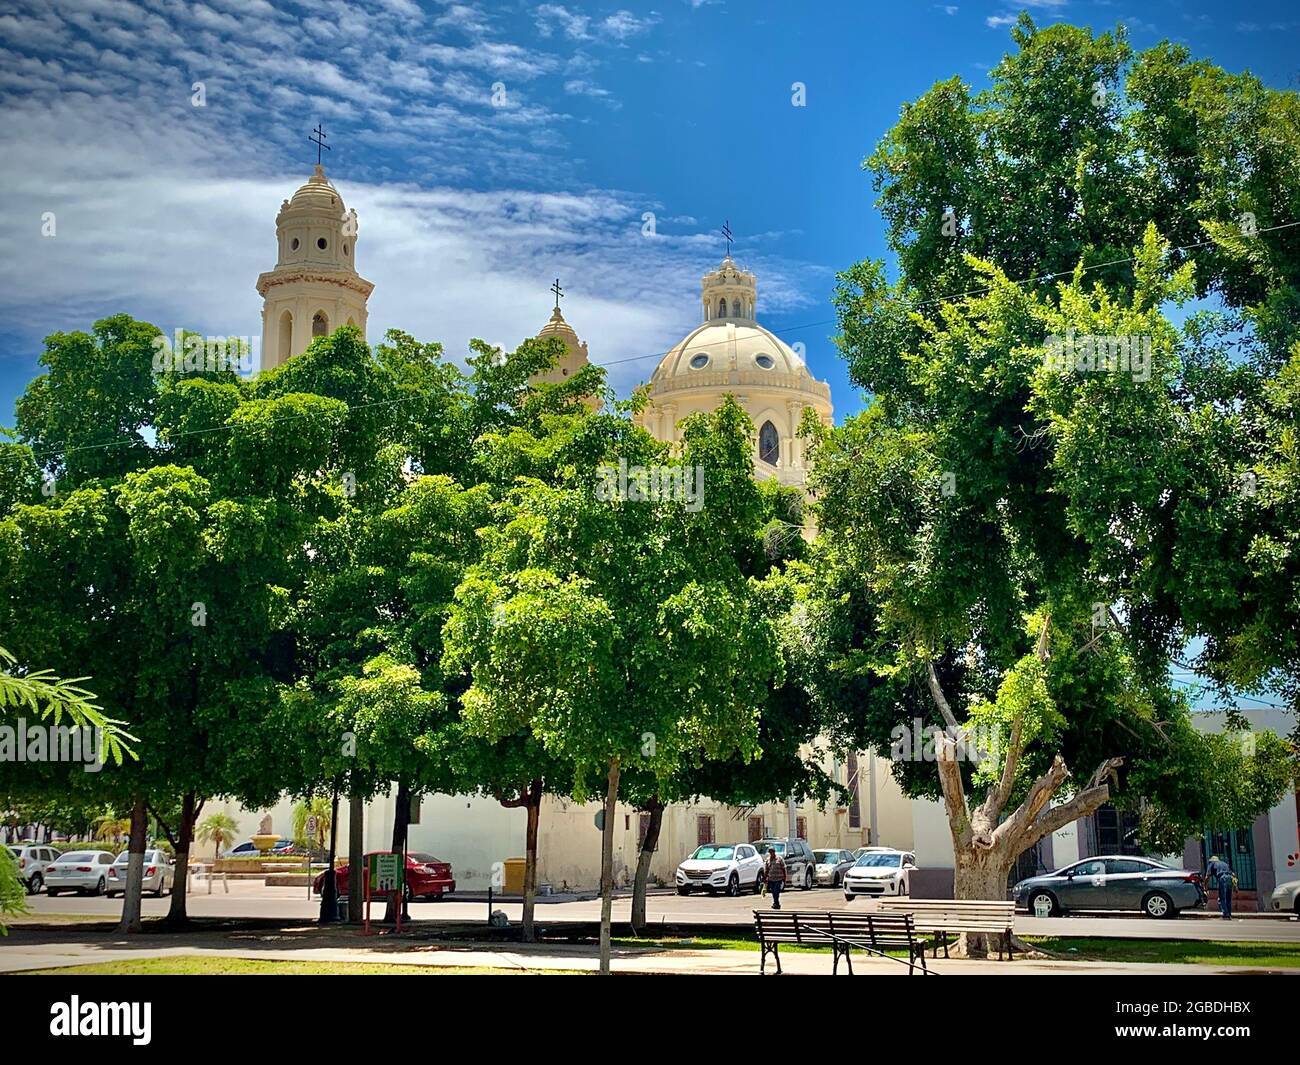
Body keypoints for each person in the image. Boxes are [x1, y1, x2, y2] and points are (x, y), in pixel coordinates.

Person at [1206, 854, 1235, 919]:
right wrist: (1235, 886)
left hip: (1222, 878)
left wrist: (1205, 887)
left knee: (1222, 898)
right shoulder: (1224, 863)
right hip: (1230, 878)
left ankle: (1225, 914)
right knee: (1228, 898)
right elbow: (1233, 874)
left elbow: (1207, 876)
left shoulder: (1212, 863)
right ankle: (1229, 913)